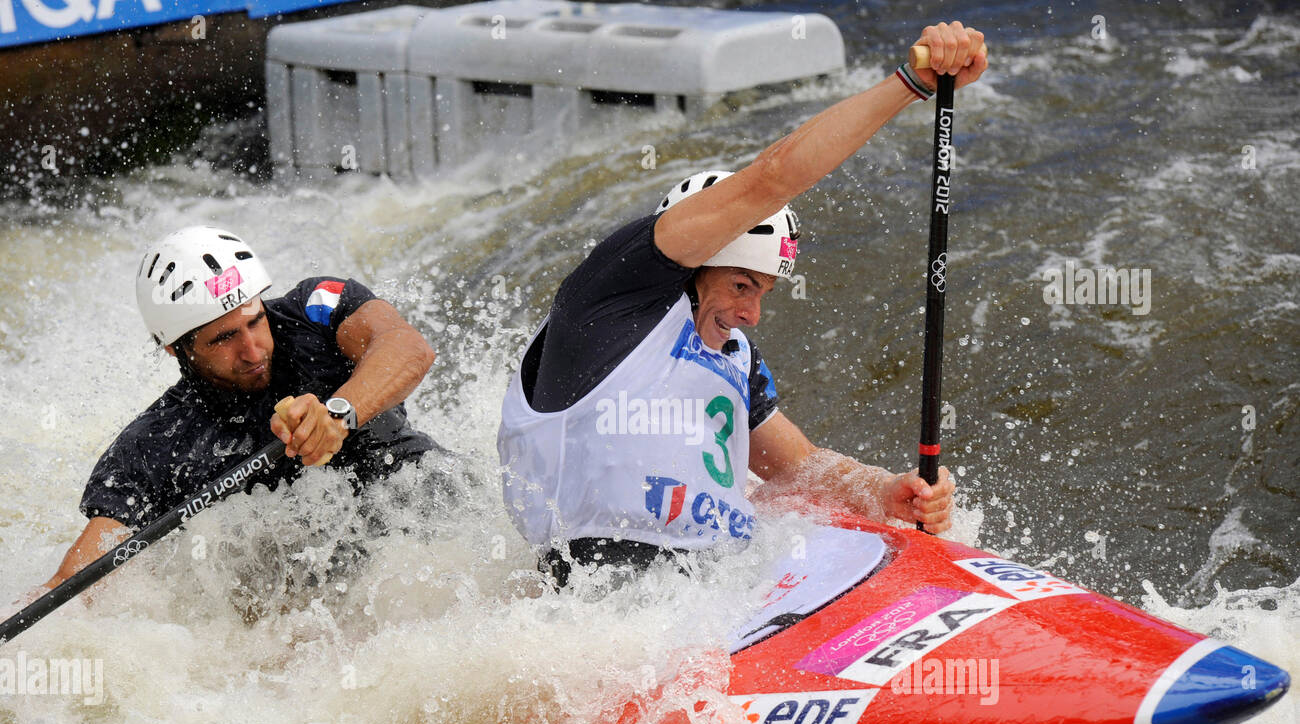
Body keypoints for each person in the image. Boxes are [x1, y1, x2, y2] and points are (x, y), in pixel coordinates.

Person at [498, 22, 985, 581]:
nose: (752, 314)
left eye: (763, 291)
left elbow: (800, 469)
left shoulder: (736, 355)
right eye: (739, 284)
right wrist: (909, 84)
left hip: (714, 589)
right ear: (690, 267)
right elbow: (773, 177)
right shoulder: (607, 305)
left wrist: (885, 491)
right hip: (595, 590)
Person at [34, 224, 443, 595]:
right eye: (224, 338)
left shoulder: (318, 309)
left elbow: (408, 347)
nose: (251, 351)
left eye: (254, 321)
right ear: (177, 349)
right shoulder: (152, 446)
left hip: (432, 517)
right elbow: (74, 584)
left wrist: (338, 413)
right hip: (322, 593)